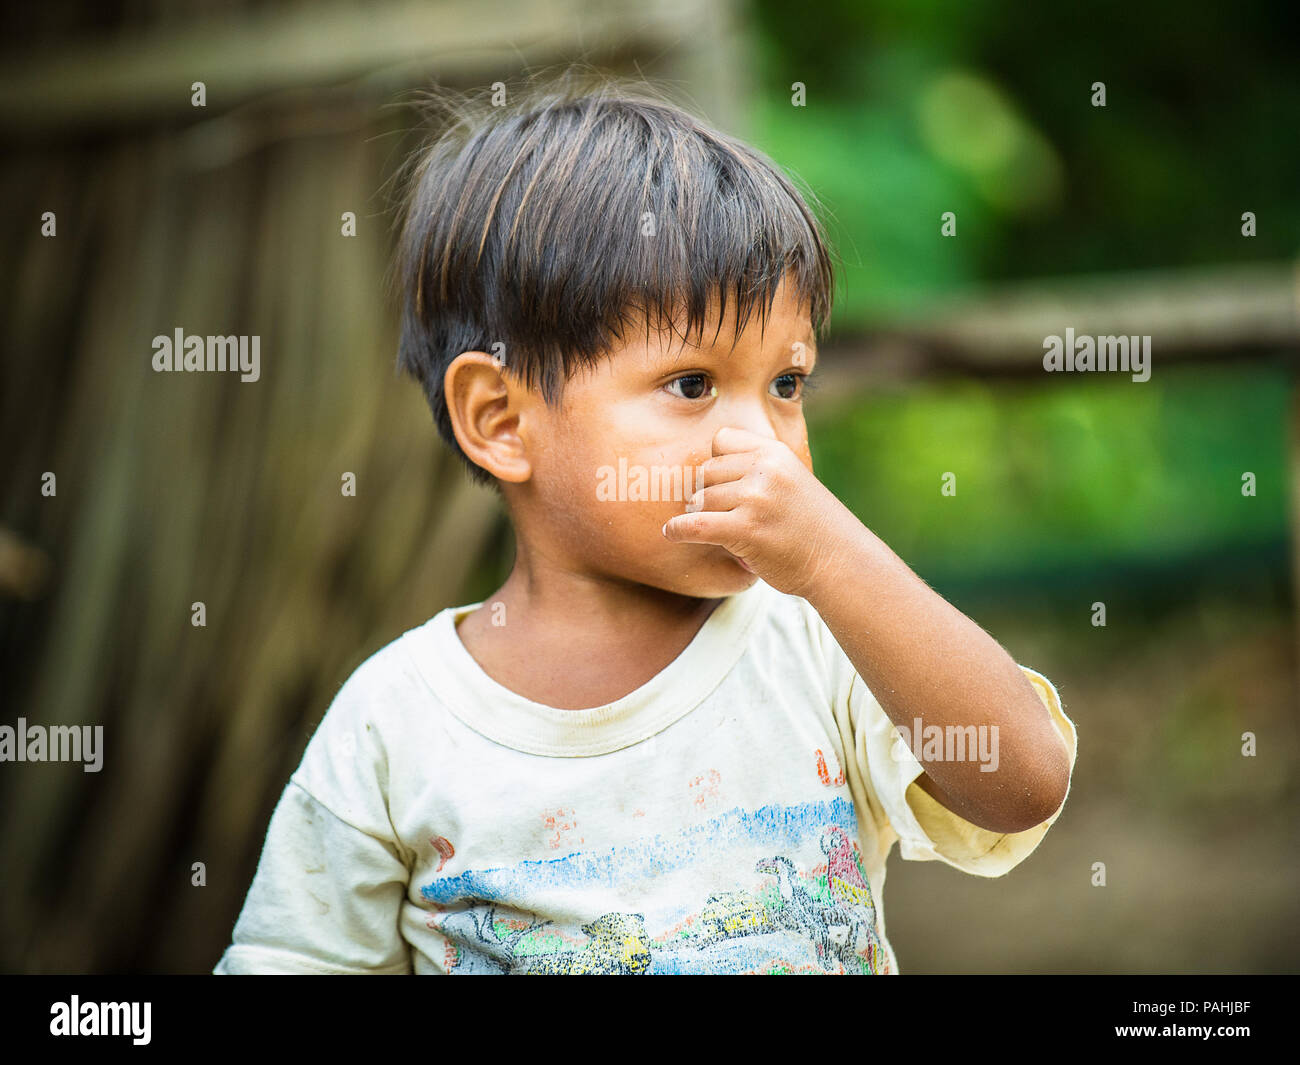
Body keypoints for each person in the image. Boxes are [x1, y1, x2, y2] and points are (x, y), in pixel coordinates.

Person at [213, 72, 1076, 975]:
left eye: (787, 385)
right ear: (502, 419)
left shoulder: (820, 647)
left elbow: (1021, 779)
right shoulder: (394, 730)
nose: (763, 442)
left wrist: (833, 557)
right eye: (693, 385)